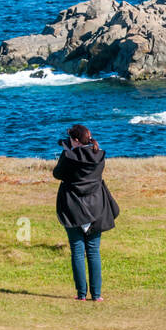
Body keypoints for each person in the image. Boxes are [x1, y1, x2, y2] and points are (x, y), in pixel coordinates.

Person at [53, 124, 119, 301]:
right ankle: (96, 295)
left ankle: (81, 294)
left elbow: (57, 174)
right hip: (97, 206)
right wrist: (71, 149)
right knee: (93, 251)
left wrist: (67, 151)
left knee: (77, 251)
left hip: (73, 207)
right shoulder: (99, 155)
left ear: (75, 140)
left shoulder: (69, 156)